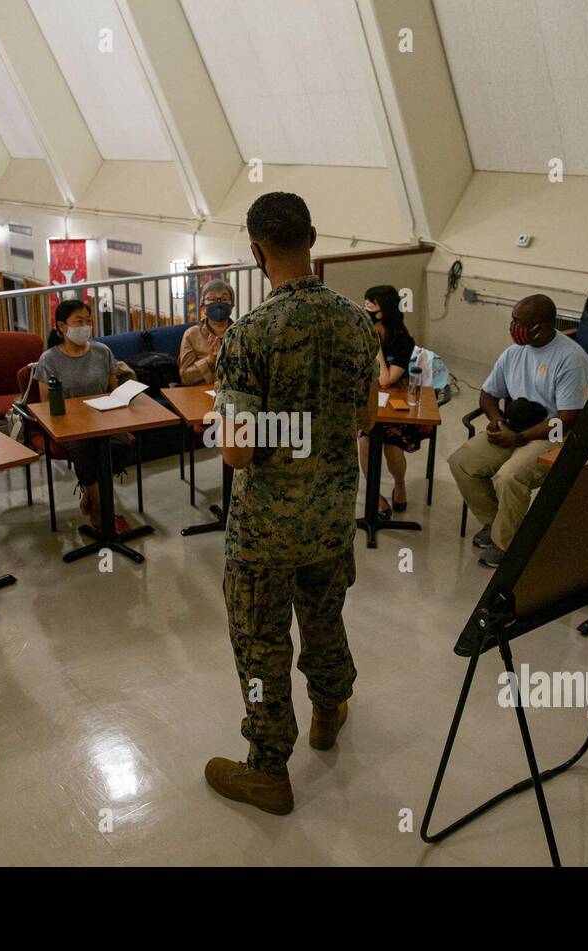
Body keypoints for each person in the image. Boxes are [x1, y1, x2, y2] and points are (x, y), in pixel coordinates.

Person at [204, 191, 378, 815]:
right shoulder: (358, 322)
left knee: (261, 642)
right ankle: (329, 710)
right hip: (333, 515)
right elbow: (367, 416)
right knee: (325, 616)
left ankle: (269, 769)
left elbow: (239, 455)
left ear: (256, 252)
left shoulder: (249, 334)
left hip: (267, 532)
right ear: (313, 238)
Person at [447, 294, 588, 568]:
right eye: (512, 320)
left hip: (552, 436)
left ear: (543, 326)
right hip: (512, 428)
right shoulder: (513, 353)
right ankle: (496, 523)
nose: (513, 327)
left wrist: (520, 438)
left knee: (509, 477)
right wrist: (497, 420)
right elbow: (488, 394)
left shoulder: (571, 358)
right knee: (462, 462)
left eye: (520, 322)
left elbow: (569, 418)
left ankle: (507, 544)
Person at [32, 298, 132, 536]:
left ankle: (90, 493)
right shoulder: (50, 359)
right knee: (85, 450)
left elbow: (111, 387)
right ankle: (101, 511)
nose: (85, 326)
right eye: (79, 321)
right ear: (62, 327)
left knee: (123, 445)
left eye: (88, 321)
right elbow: (46, 404)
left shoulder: (101, 351)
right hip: (68, 423)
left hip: (102, 417)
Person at [357, 284, 420, 516]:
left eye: (370, 307)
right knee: (364, 442)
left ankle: (400, 484)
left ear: (383, 312)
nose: (365, 311)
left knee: (392, 447)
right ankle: (376, 496)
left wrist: (377, 350)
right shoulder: (360, 334)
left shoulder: (403, 340)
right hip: (370, 403)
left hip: (395, 405)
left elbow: (386, 379)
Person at [177, 278, 235, 386]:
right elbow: (185, 377)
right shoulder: (191, 334)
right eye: (212, 299)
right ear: (203, 305)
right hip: (200, 395)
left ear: (232, 305)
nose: (218, 302)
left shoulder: (240, 333)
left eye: (224, 298)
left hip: (233, 395)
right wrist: (209, 361)